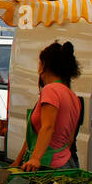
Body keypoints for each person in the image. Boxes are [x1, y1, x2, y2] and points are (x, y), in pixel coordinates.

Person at [16, 40, 83, 171]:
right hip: (66, 164)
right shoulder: (73, 97)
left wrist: (35, 158)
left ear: (44, 65)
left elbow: (47, 127)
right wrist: (18, 160)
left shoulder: (50, 90)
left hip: (47, 166)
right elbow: (69, 140)